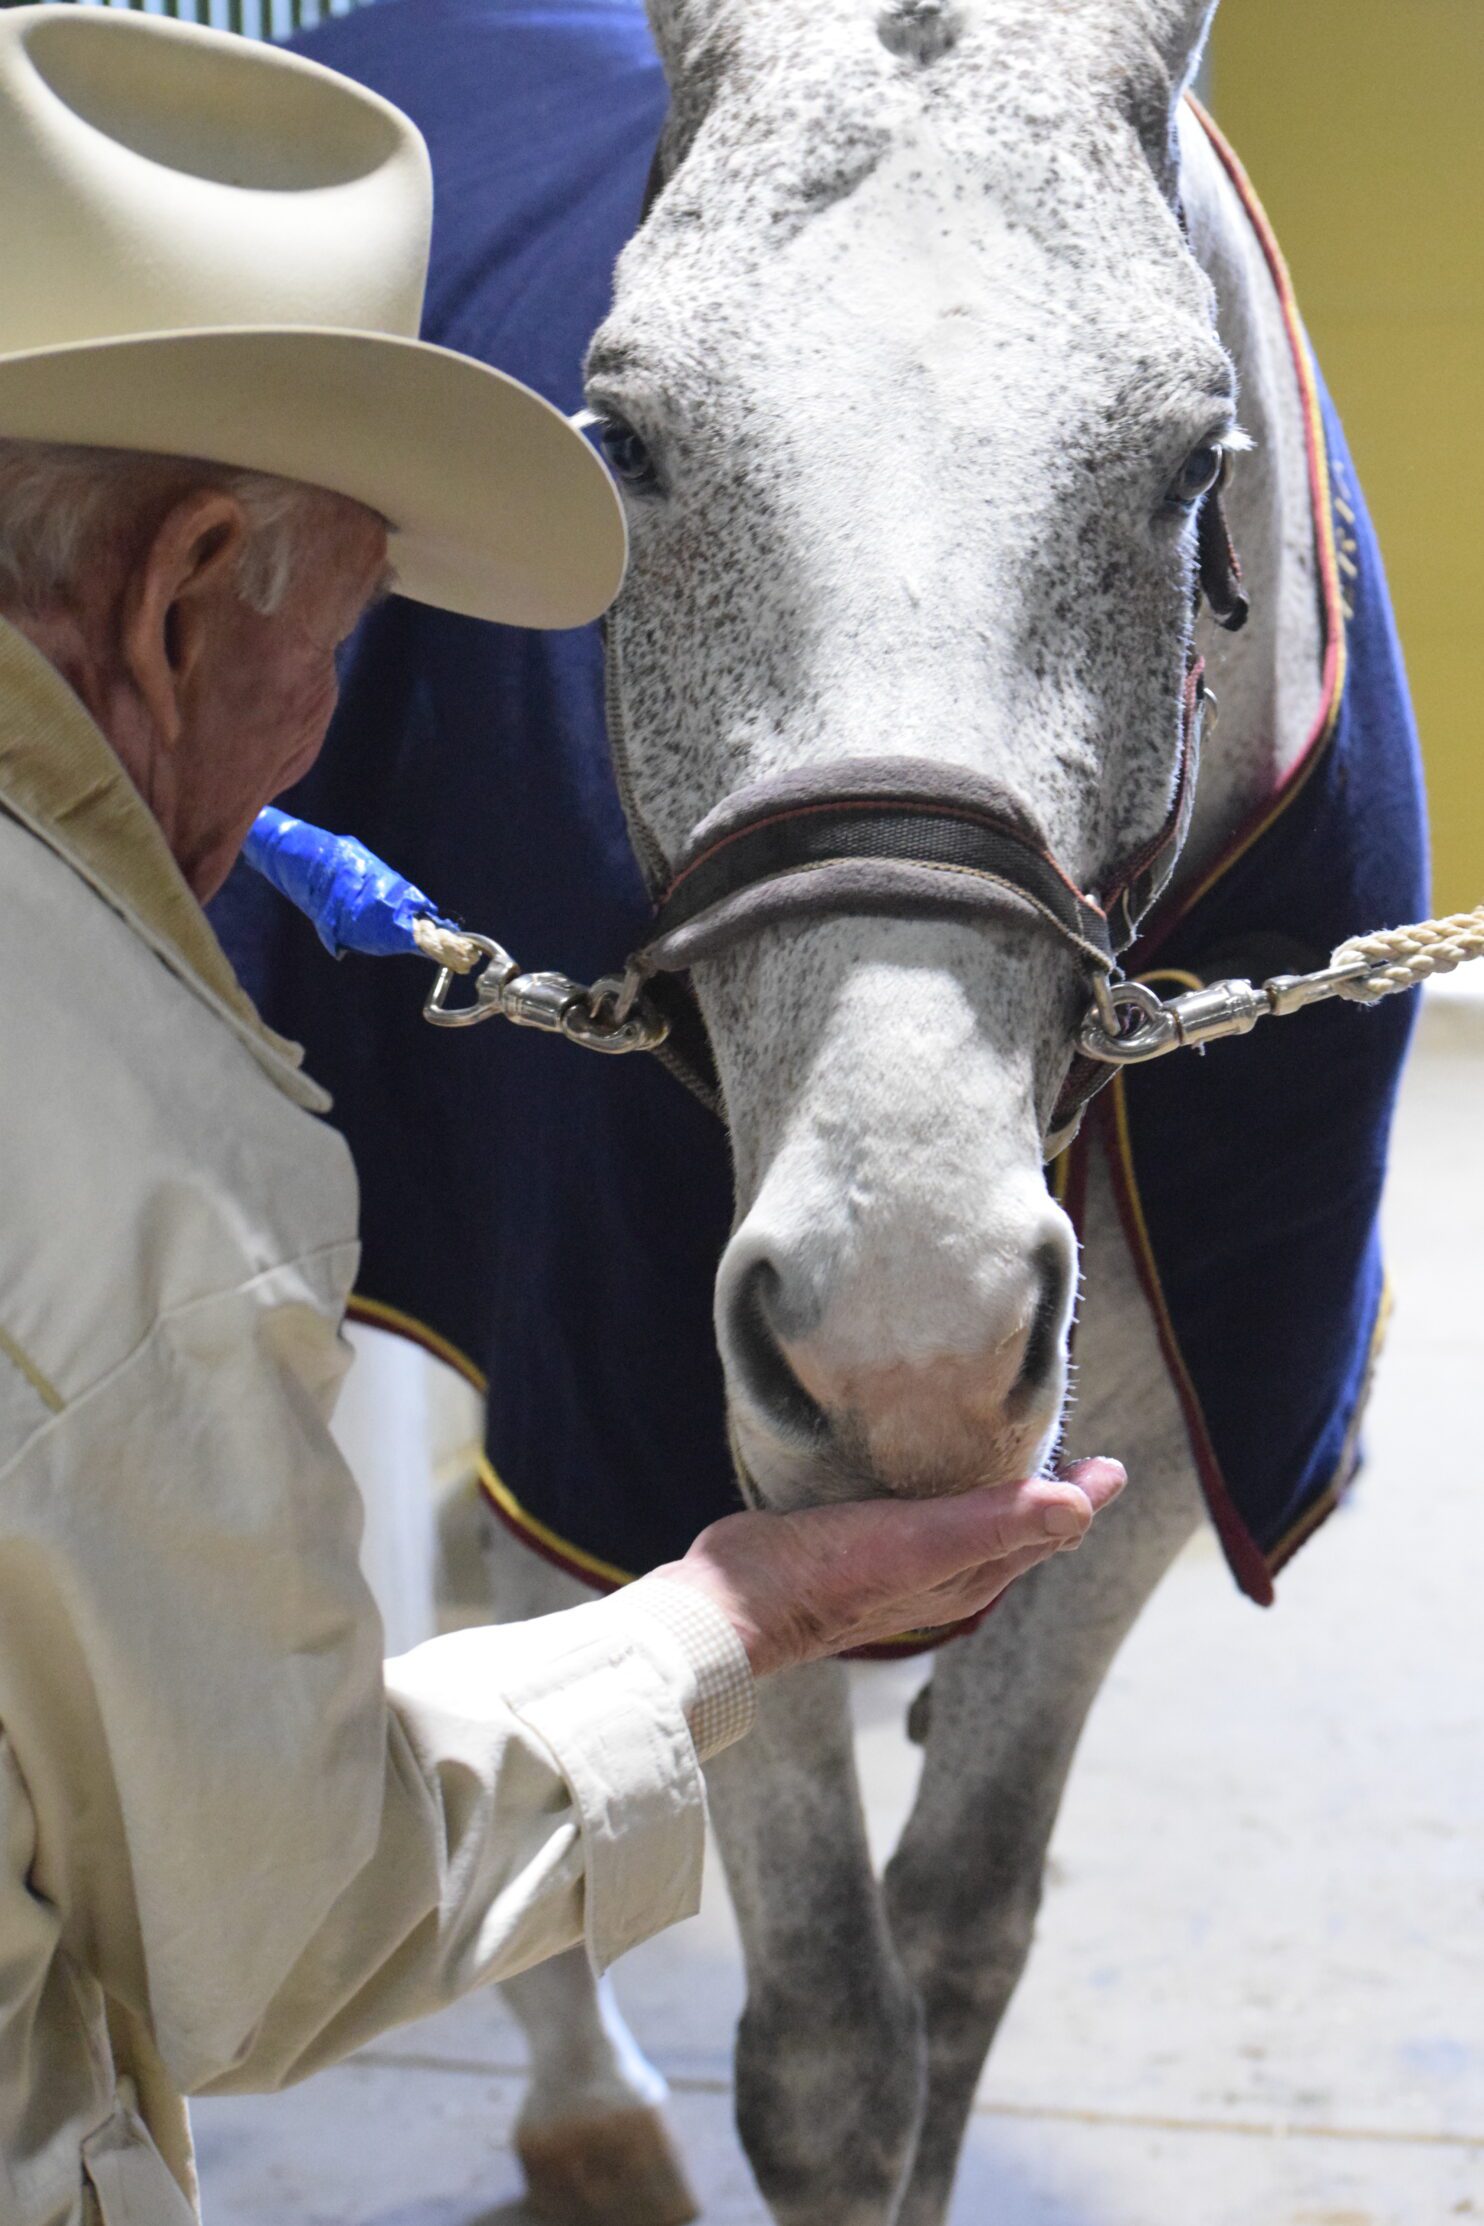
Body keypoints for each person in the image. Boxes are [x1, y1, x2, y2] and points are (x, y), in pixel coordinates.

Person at [0, 10, 1123, 2222]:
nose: (327, 729)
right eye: (341, 638)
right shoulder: (133, 1180)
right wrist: (733, 1617)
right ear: (173, 580)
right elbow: (279, 1931)